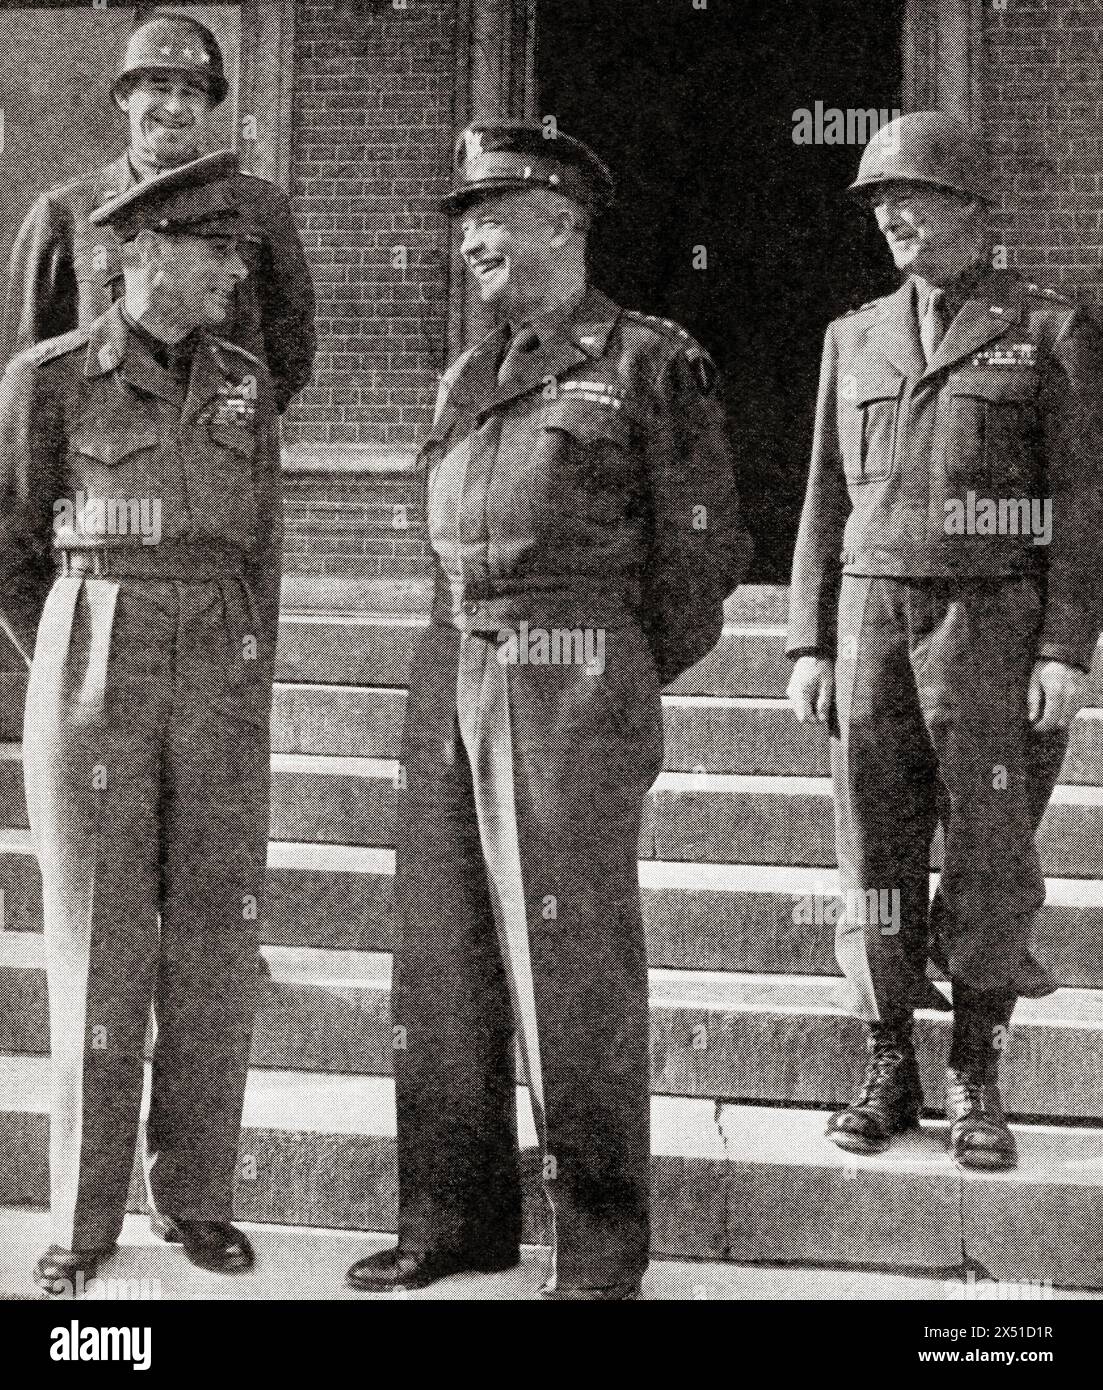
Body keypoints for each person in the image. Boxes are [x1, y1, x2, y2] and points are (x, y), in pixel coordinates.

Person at [344, 120, 751, 1299]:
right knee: (440, 960)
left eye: (494, 213)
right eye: (462, 218)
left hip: (570, 673)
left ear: (564, 223)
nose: (470, 236)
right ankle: (454, 1223)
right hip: (453, 662)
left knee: (570, 966)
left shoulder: (647, 360)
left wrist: (605, 672)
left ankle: (598, 1249)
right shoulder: (467, 374)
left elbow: (700, 557)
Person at [786, 112, 1103, 1171]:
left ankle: (976, 1069)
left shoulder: (1047, 329)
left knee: (988, 849)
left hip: (992, 625)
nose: (891, 216)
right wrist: (805, 643)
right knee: (869, 852)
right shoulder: (851, 335)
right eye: (878, 202)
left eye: (912, 196)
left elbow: (1079, 501)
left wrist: (1065, 648)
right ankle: (887, 1063)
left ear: (973, 210)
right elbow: (823, 502)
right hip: (869, 620)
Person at [0, 150, 283, 1293]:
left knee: (215, 942)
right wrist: (76, 652)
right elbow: (15, 549)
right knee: (99, 944)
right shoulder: (50, 377)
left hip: (220, 655)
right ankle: (81, 1215)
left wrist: (244, 666)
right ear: (140, 251)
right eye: (212, 250)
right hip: (93, 649)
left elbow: (265, 547)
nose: (233, 269)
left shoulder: (246, 384)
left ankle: (199, 1199)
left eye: (236, 250)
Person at [3, 7, 314, 413]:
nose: (174, 107)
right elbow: (30, 360)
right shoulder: (65, 213)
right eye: (159, 87)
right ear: (124, 98)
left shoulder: (260, 207)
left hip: (216, 446)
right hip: (103, 449)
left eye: (192, 92)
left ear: (210, 105)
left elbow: (291, 345)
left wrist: (234, 423)